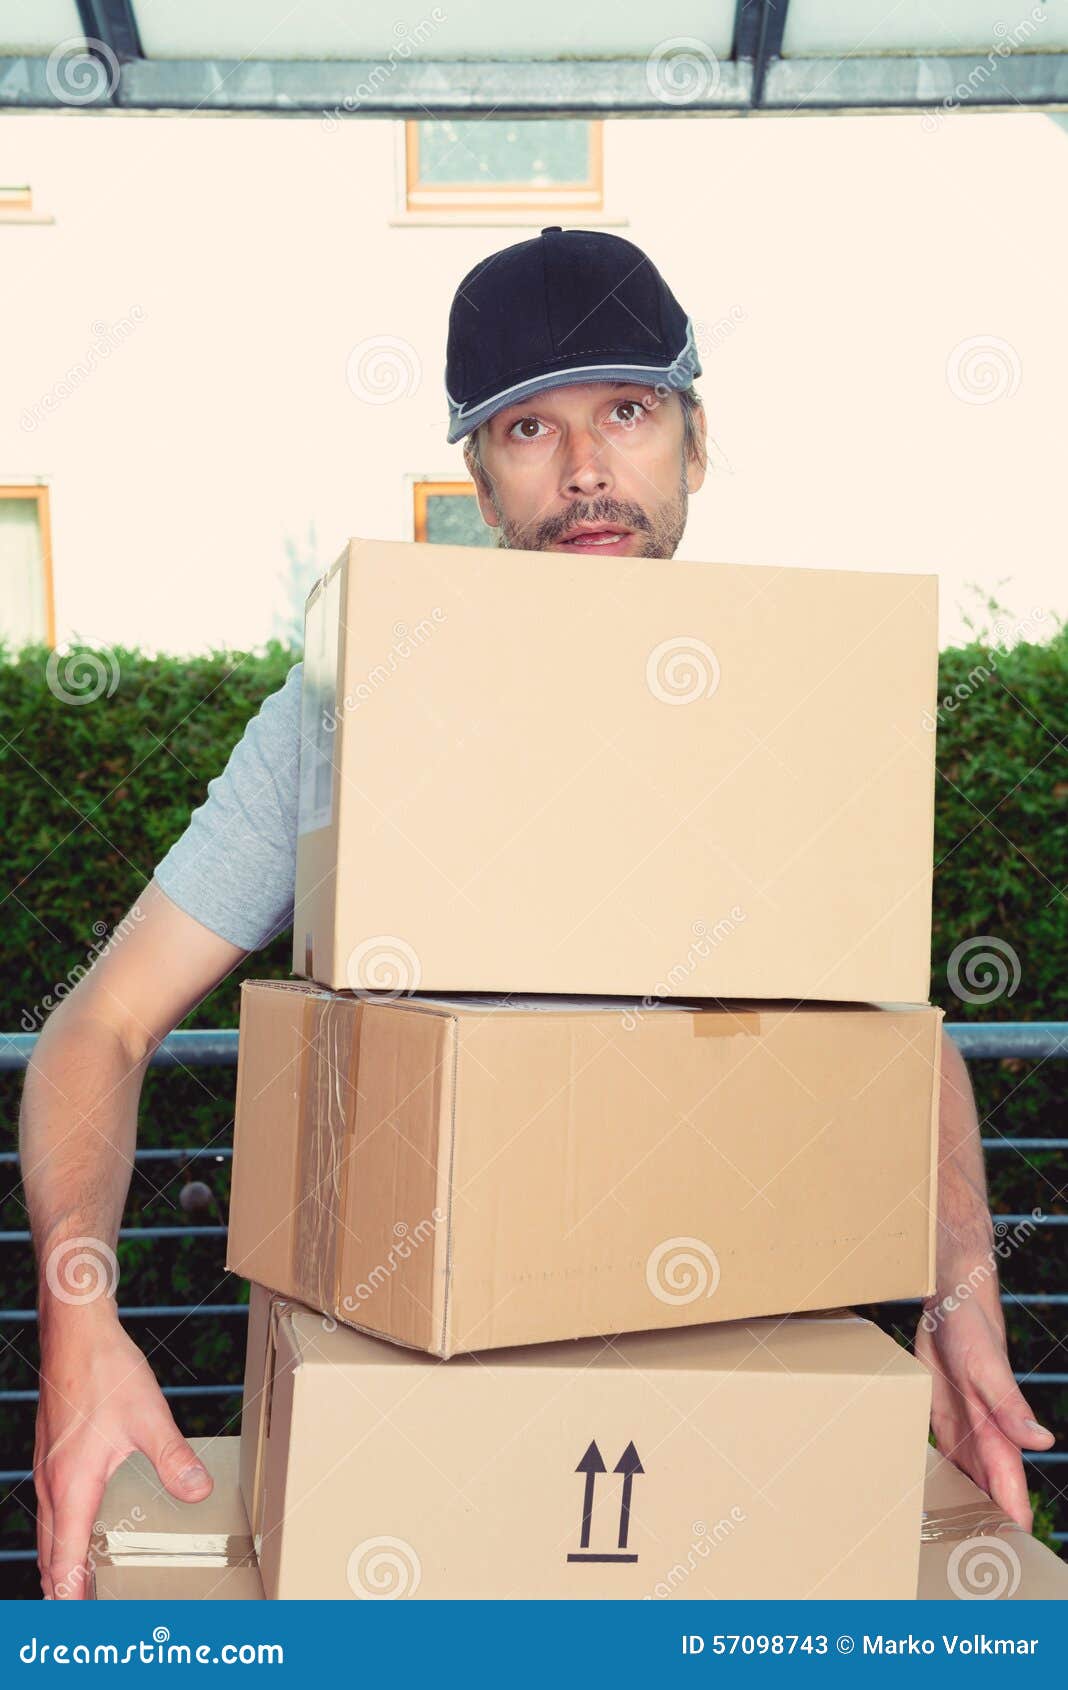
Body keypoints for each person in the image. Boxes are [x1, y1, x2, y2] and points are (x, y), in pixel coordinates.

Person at [20, 227, 1053, 1600]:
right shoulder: (351, 712)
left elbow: (886, 1036)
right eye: (528, 426)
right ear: (476, 471)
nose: (585, 468)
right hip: (411, 1464)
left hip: (738, 1452)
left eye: (626, 411)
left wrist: (965, 1299)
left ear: (694, 438)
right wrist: (76, 1324)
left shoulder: (794, 708)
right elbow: (100, 1025)